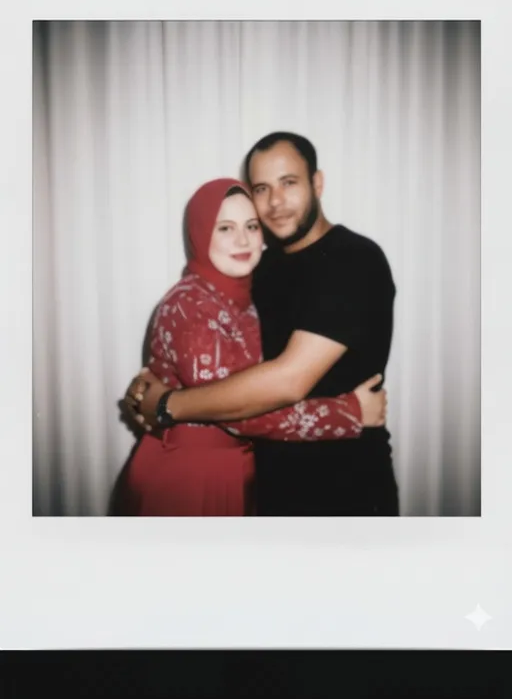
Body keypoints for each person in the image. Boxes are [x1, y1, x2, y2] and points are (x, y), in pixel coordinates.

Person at [120, 176, 386, 516]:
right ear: (200, 235)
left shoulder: (245, 295)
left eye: (251, 226)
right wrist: (350, 413)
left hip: (235, 467)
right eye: (225, 228)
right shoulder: (189, 304)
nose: (243, 239)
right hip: (188, 473)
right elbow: (236, 410)